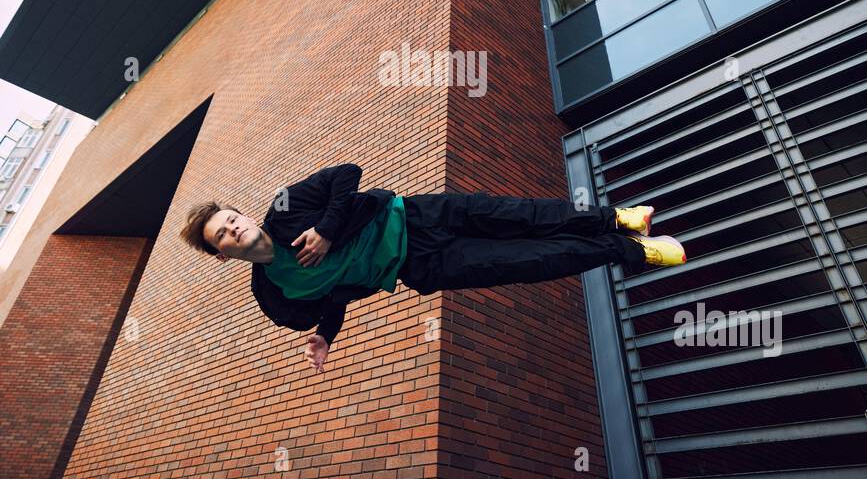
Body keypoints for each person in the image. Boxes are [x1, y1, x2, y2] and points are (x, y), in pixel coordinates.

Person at [179, 163, 686, 374]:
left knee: (524, 217)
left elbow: (347, 176)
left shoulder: (286, 207)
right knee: (532, 259)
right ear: (224, 255)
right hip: (422, 265)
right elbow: (332, 297)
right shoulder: (274, 295)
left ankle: (617, 218)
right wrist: (325, 335)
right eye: (221, 236)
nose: (232, 230)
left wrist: (329, 229)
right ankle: (636, 251)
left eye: (229, 220)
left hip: (421, 215)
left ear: (242, 214)